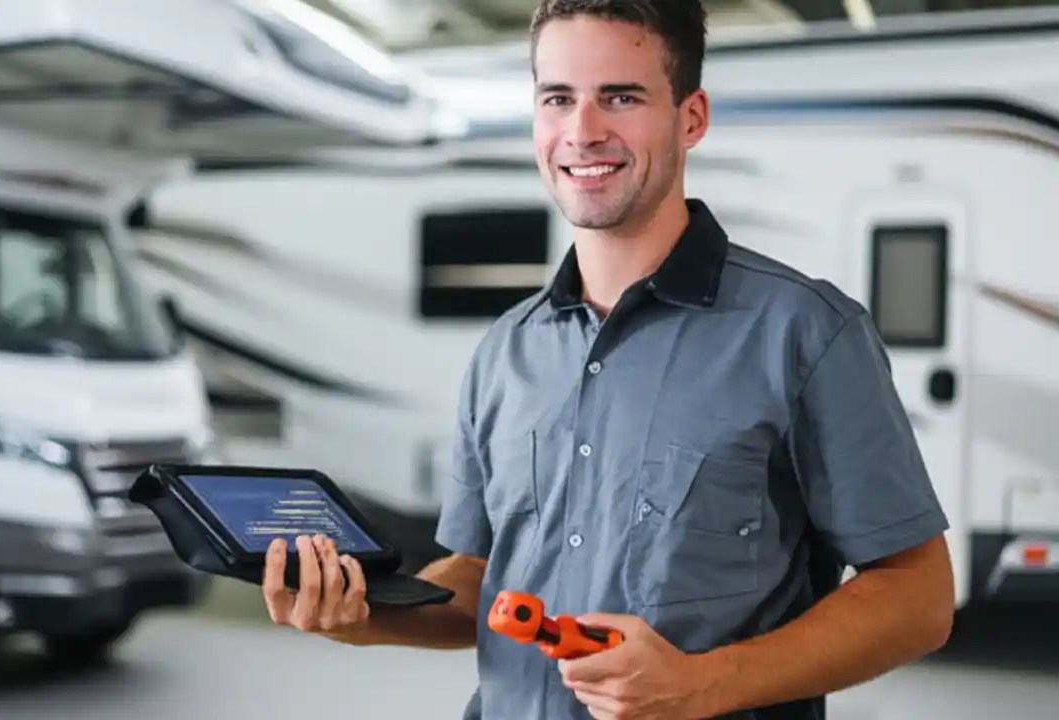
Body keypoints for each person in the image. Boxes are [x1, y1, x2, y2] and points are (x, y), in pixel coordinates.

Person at [260, 1, 955, 718]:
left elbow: (918, 596)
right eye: (558, 98)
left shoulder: (803, 333)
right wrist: (364, 614)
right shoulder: (508, 350)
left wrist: (702, 684)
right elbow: (481, 579)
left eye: (620, 97)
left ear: (691, 118)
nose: (583, 131)